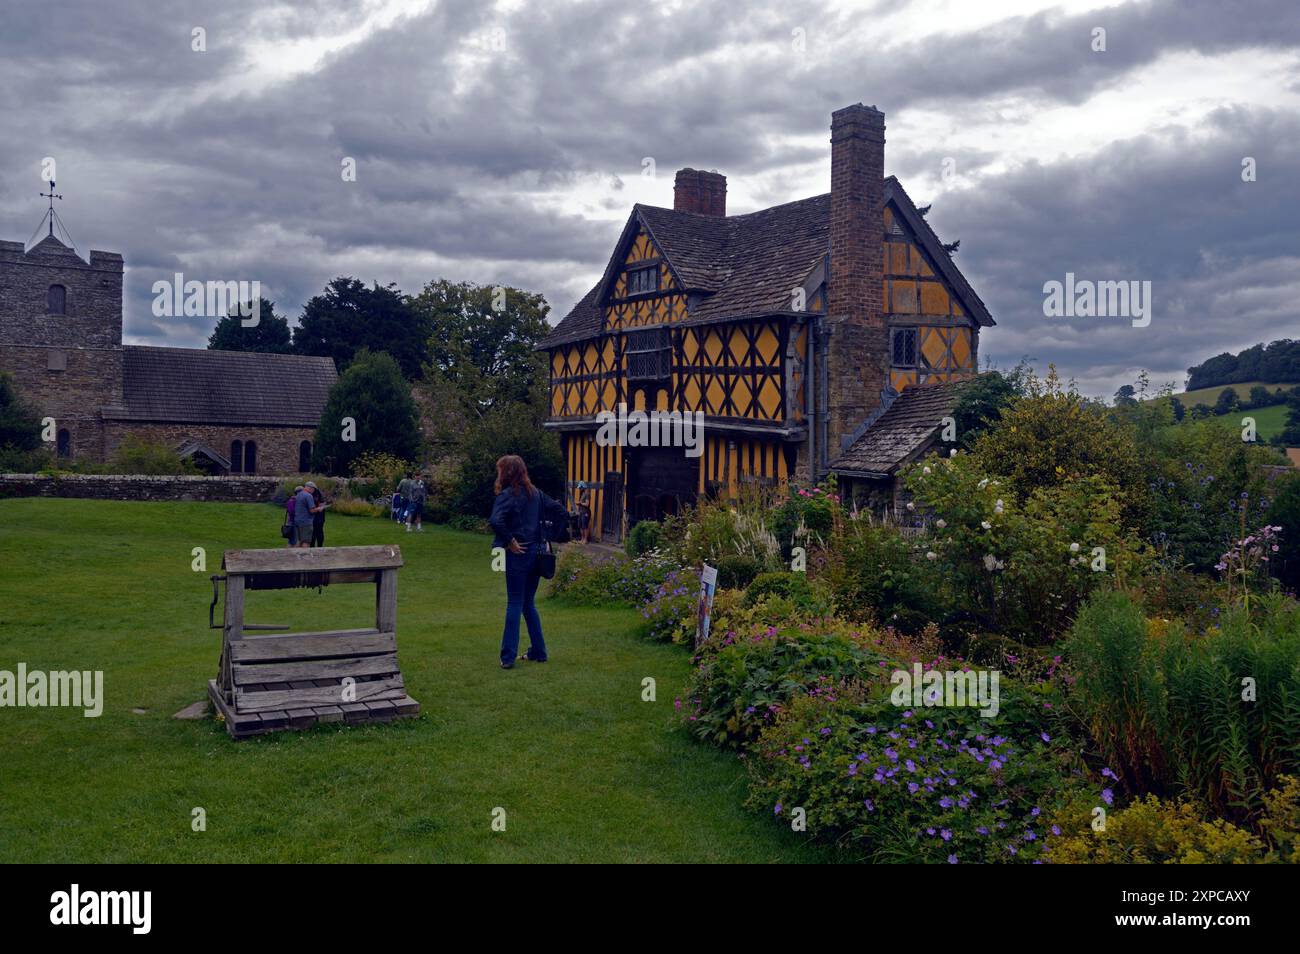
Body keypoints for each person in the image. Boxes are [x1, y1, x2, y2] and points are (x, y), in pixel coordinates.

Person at [489, 454, 567, 670]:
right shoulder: (537, 494)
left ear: (507, 472)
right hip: (537, 554)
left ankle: (507, 657)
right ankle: (539, 652)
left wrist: (510, 541)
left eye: (500, 470)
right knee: (527, 604)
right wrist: (548, 536)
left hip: (520, 554)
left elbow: (495, 520)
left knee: (515, 603)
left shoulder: (507, 495)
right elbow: (562, 512)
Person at [292, 483, 320, 549]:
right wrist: (319, 509)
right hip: (306, 522)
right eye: (314, 489)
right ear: (310, 488)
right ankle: (305, 557)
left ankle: (294, 556)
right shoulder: (308, 496)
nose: (314, 491)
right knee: (306, 542)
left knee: (299, 541)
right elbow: (312, 510)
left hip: (297, 520)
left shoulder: (298, 495)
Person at [307, 480, 328, 547]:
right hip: (315, 515)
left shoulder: (317, 494)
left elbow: (322, 502)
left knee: (318, 532)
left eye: (311, 488)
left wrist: (321, 506)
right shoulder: (310, 494)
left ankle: (319, 546)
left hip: (318, 516)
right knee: (313, 533)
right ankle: (313, 546)